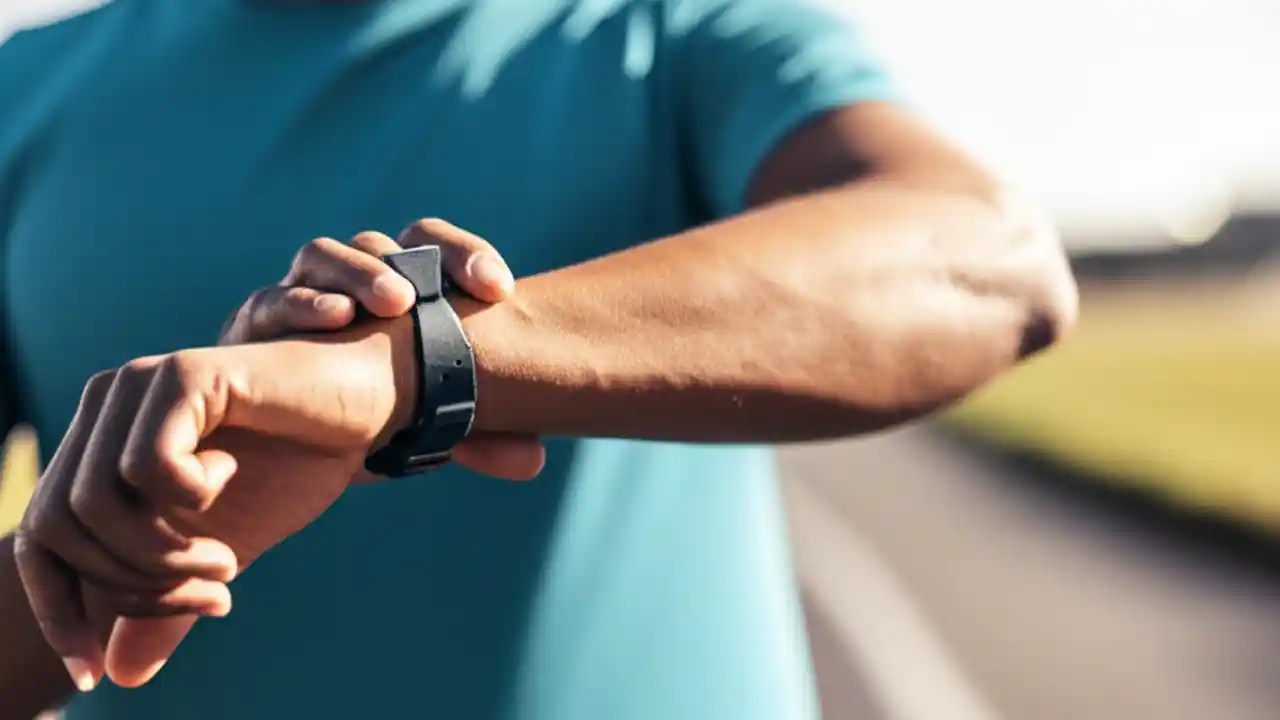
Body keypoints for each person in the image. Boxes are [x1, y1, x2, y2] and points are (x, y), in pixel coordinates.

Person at [0, 0, 1077, 718]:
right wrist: (98, 570)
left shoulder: (667, 24)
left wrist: (417, 362)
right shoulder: (26, 90)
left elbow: (991, 262)